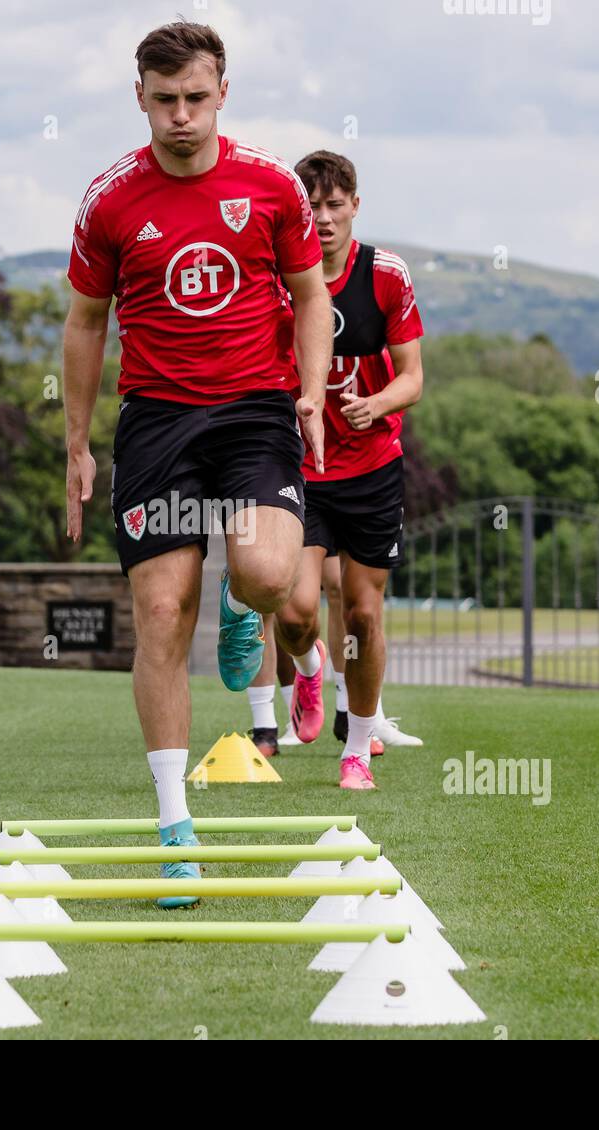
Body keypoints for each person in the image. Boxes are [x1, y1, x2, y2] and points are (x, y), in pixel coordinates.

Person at [63, 21, 332, 906]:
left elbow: (309, 295)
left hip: (255, 414)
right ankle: (177, 830)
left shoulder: (270, 187)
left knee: (263, 577)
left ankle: (247, 599)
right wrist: (77, 445)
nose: (181, 116)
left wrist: (313, 393)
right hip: (157, 425)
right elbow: (86, 323)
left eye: (197, 98)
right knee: (161, 615)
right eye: (165, 99)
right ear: (138, 95)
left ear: (224, 93)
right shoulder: (109, 202)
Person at [274, 150, 425, 790]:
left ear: (355, 206)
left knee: (363, 615)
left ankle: (357, 749)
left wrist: (377, 403)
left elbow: (413, 378)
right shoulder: (278, 278)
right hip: (300, 468)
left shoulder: (385, 275)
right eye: (311, 207)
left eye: (335, 205)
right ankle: (309, 668)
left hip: (370, 470)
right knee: (294, 611)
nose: (324, 218)